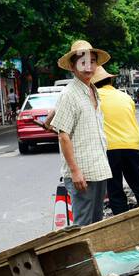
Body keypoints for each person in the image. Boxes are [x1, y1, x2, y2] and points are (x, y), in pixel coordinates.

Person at [48, 39, 113, 226]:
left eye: (92, 61)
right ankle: (83, 257)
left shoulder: (93, 90)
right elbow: (63, 135)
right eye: (83, 62)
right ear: (72, 66)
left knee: (96, 225)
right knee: (83, 226)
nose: (88, 67)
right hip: (82, 174)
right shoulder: (69, 94)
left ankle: (95, 256)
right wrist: (75, 171)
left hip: (98, 169)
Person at [93, 66, 139, 215]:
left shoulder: (93, 98)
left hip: (109, 148)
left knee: (115, 190)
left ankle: (122, 221)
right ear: (110, 80)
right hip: (131, 146)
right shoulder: (125, 97)